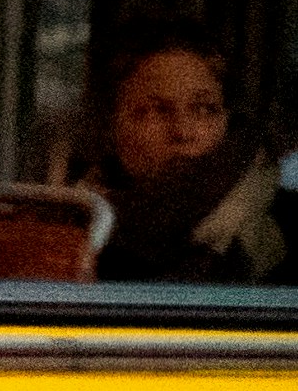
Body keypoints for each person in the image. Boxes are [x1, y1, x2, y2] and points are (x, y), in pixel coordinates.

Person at [83, 22, 282, 285]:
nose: (183, 132)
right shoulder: (71, 230)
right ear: (112, 125)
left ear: (227, 120)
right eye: (155, 110)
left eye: (203, 109)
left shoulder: (285, 228)